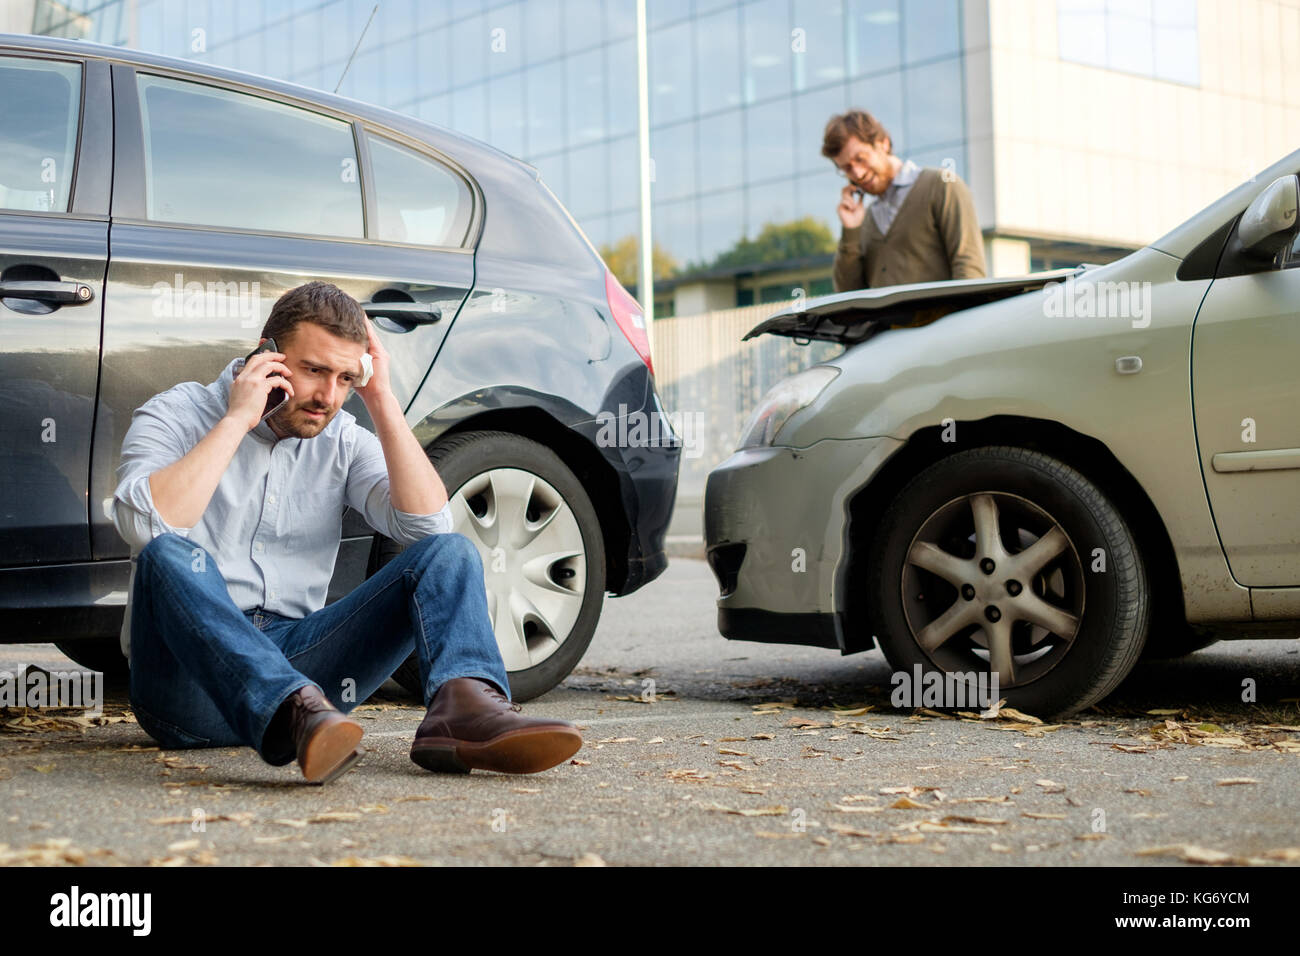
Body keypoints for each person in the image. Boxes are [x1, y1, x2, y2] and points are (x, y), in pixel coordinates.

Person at [109, 281, 583, 784]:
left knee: (449, 552)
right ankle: (287, 711)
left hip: (307, 677)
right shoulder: (178, 412)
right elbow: (146, 525)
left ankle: (463, 716)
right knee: (169, 553)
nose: (328, 397)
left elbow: (426, 526)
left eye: (345, 378)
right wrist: (237, 420)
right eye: (314, 370)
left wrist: (381, 399)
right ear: (266, 354)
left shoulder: (342, 440)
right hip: (191, 687)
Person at [823, 109, 987, 292]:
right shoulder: (865, 218)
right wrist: (851, 230)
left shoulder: (943, 186)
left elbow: (969, 270)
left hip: (943, 320)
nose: (858, 174)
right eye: (847, 168)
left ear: (883, 144)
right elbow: (848, 293)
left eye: (861, 159)